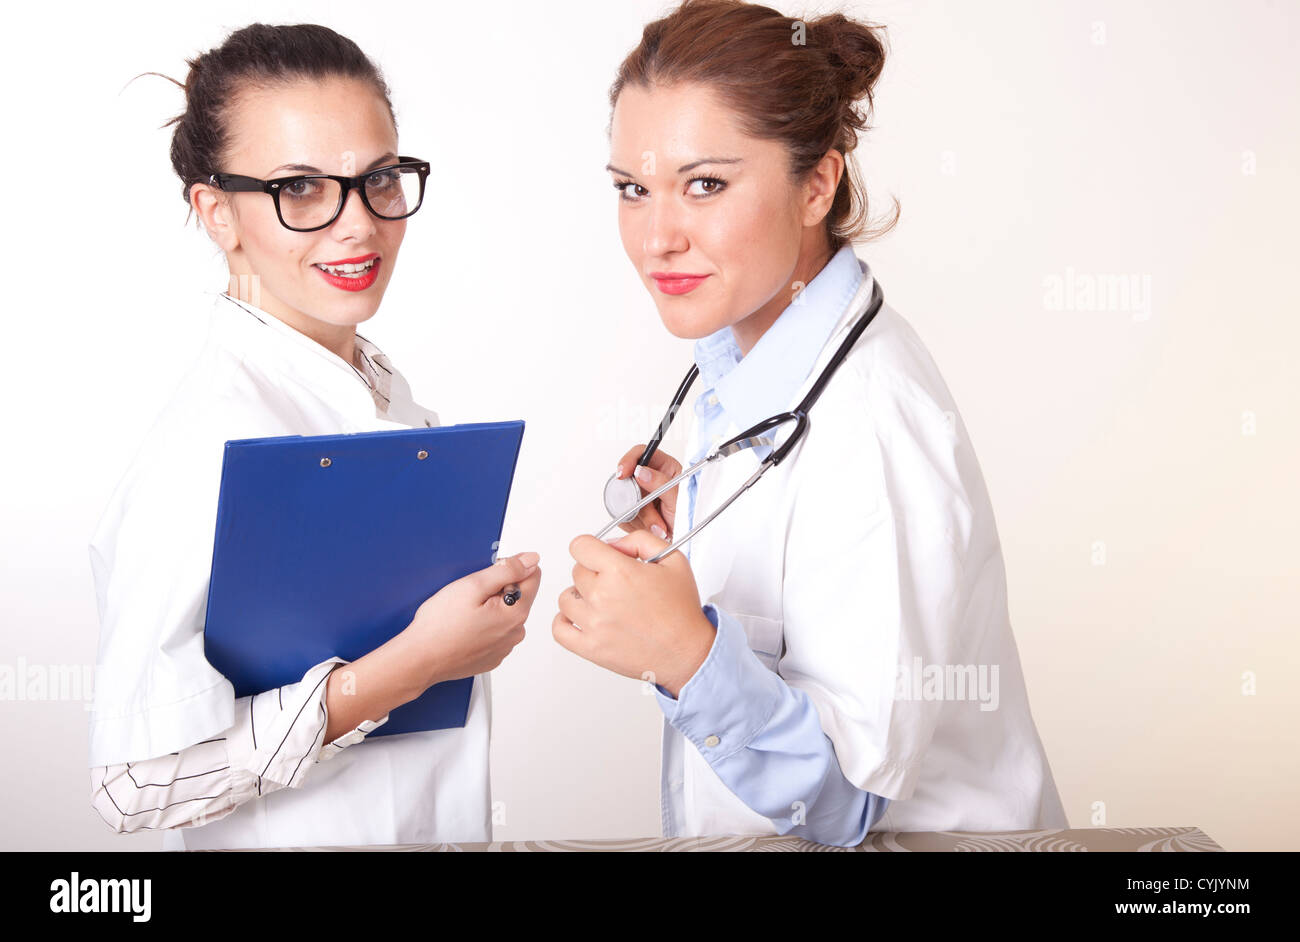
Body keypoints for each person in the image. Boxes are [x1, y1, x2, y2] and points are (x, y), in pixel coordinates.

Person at [553, 0, 1067, 844]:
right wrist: (701, 529)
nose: (657, 237)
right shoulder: (753, 362)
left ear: (817, 185)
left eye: (706, 184)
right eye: (633, 190)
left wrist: (684, 653)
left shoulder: (871, 425)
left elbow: (844, 806)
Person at [87, 23, 541, 849]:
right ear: (217, 211)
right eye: (299, 188)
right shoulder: (211, 441)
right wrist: (408, 668)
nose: (357, 224)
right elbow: (132, 787)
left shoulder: (388, 399)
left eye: (378, 179)